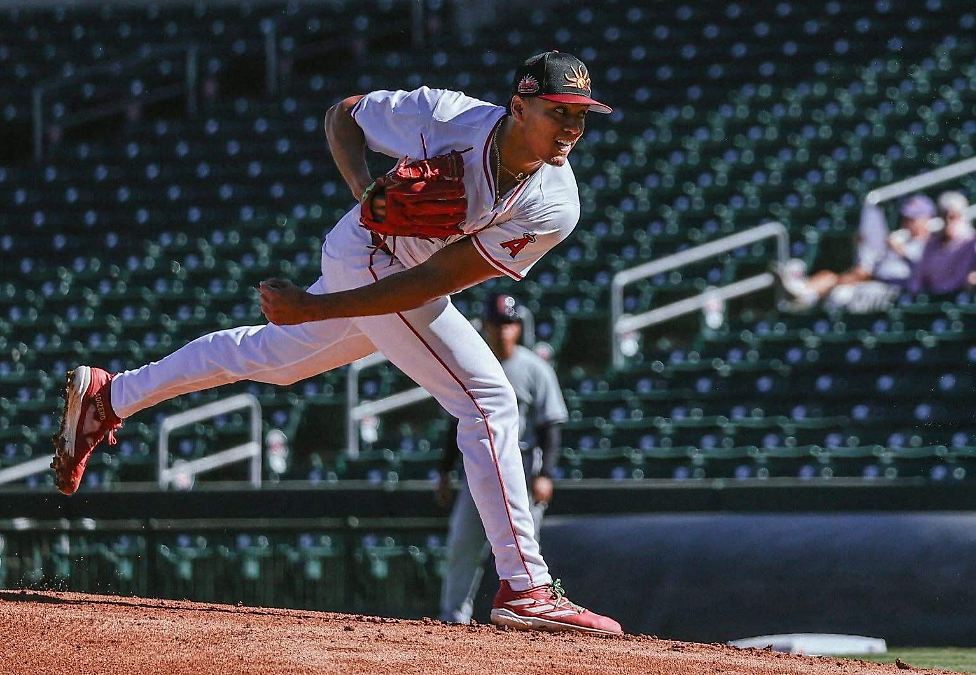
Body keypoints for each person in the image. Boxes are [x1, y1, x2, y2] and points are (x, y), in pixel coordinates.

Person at [51, 50, 621, 636]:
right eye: (559, 112)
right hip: (365, 254)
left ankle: (111, 395)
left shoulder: (556, 203)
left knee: (271, 358)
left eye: (582, 115)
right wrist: (362, 189)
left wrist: (313, 309)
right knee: (488, 400)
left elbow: (435, 282)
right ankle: (525, 586)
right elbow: (343, 115)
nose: (573, 128)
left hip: (404, 279)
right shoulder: (449, 119)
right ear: (519, 106)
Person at [435, 293, 567, 624]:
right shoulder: (472, 366)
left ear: (518, 327)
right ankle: (454, 619)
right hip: (477, 465)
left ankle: (523, 618)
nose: (503, 330)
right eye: (497, 324)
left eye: (509, 323)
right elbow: (457, 421)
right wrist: (444, 471)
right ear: (486, 327)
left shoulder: (534, 369)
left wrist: (546, 473)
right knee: (462, 546)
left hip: (520, 466)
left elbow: (550, 426)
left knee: (523, 551)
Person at [778, 194, 934, 312]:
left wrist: (900, 250)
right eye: (906, 217)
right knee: (831, 278)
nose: (907, 222)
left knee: (839, 291)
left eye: (913, 218)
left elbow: (926, 272)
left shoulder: (932, 245)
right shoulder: (902, 238)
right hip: (875, 280)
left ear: (927, 219)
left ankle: (805, 294)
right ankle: (803, 291)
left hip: (894, 290)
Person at [907, 191, 976, 296]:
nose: (948, 221)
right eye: (944, 216)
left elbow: (959, 279)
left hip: (955, 298)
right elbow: (920, 277)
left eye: (953, 216)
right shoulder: (932, 244)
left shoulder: (973, 244)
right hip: (931, 297)